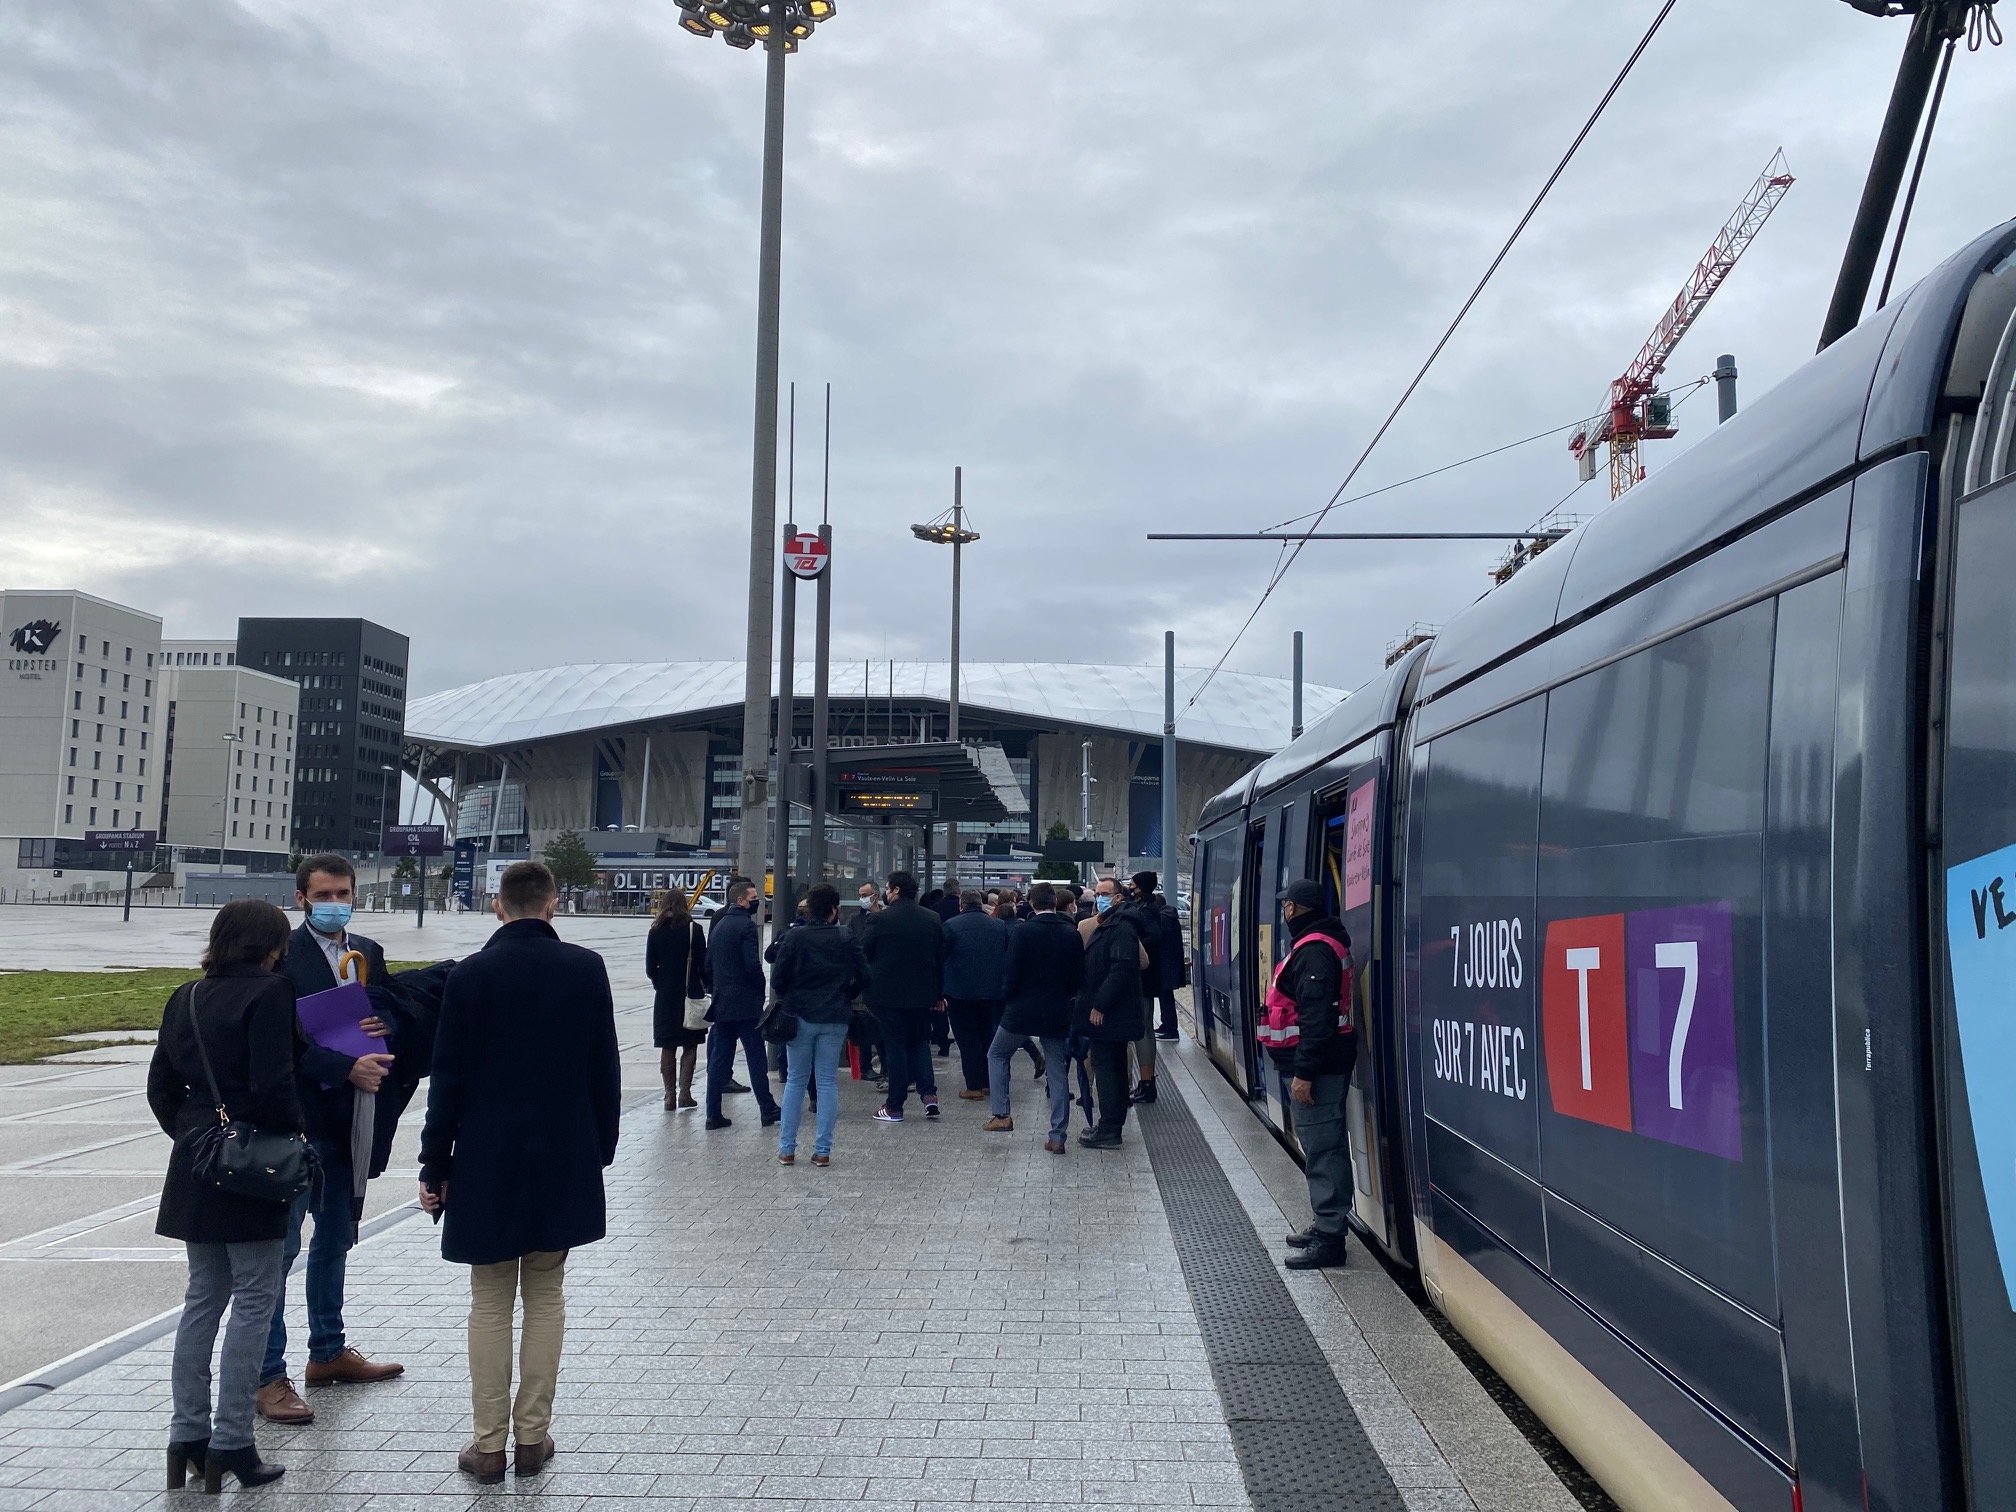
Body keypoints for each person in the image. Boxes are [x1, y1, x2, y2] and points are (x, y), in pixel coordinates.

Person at [418, 861, 622, 1483]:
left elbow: (446, 1078)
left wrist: (435, 1161)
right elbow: (603, 1068)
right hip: (564, 1151)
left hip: (485, 1154)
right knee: (546, 1293)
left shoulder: (471, 974)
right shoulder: (586, 969)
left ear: (497, 906)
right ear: (553, 905)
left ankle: (488, 1446)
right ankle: (533, 1437)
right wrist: (600, 1148)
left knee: (488, 1299)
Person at [150, 900, 303, 1493]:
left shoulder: (184, 995)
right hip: (252, 1163)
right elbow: (274, 1083)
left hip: (194, 1160)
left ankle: (185, 1436)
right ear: (271, 945)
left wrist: (195, 1137)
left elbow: (160, 1084)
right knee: (255, 1298)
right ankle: (233, 1442)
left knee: (202, 1299)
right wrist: (291, 1140)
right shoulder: (271, 993)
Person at [257, 854, 404, 1427]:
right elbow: (279, 1043)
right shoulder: (280, 958)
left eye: (343, 892)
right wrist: (341, 1067)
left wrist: (383, 1023)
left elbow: (388, 1001)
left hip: (351, 1123)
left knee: (336, 1239)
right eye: (323, 894)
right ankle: (268, 1374)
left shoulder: (367, 949)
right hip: (298, 1123)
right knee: (281, 1252)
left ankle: (328, 1351)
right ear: (301, 899)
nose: (335, 902)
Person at [1267, 879, 1358, 1270]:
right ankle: (1326, 1224)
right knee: (1322, 1144)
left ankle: (1330, 1239)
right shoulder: (1317, 944)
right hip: (1317, 1065)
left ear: (1294, 909)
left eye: (1286, 905)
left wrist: (1304, 1072)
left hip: (1316, 1069)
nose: (1284, 911)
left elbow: (1317, 1019)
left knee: (1322, 1149)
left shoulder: (1316, 950)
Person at [770, 884, 869, 1166]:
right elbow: (865, 975)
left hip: (799, 1016)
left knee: (795, 1081)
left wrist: (793, 994)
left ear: (810, 909)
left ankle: (787, 1149)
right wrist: (845, 993)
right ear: (834, 909)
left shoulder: (795, 937)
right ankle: (823, 1151)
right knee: (826, 1082)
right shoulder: (845, 936)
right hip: (835, 1016)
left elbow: (778, 980)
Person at [985, 883, 1083, 1151]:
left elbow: (1011, 971)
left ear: (1030, 902)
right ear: (1054, 902)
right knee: (1057, 1068)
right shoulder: (1071, 933)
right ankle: (1057, 1136)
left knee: (997, 1054)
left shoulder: (1023, 931)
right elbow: (1077, 977)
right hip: (1057, 1009)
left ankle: (1001, 1114)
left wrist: (1008, 998)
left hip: (1022, 1009)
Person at [856, 870, 948, 1122]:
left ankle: (895, 1106)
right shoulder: (931, 918)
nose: (885, 892)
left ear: (895, 890)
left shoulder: (879, 920)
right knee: (919, 1043)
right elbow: (939, 960)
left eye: (887, 888)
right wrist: (939, 994)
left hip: (887, 996)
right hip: (922, 994)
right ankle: (929, 1095)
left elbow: (863, 953)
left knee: (895, 1047)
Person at [1075, 875, 1149, 1149]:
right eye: (1097, 893)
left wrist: (1099, 1005)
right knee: (1113, 1066)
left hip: (1111, 1014)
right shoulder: (1112, 923)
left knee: (1106, 1068)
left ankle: (1108, 1128)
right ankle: (1111, 1123)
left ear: (1119, 897)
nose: (1099, 897)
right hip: (1113, 1013)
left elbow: (1121, 968)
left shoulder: (1121, 927)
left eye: (1105, 893)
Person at [704, 877, 780, 1131]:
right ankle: (767, 1108)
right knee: (755, 1056)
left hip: (723, 1001)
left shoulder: (720, 925)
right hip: (745, 1002)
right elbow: (752, 965)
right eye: (753, 897)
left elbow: (708, 964)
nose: (757, 901)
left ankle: (713, 1113)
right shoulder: (745, 927)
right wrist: (760, 989)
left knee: (719, 1059)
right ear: (740, 901)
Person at [943, 889, 1011, 1101]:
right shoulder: (999, 926)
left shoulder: (950, 926)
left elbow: (941, 958)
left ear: (961, 905)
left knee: (967, 1039)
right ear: (980, 904)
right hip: (992, 993)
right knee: (988, 1037)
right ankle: (988, 1083)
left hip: (959, 992)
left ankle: (973, 1086)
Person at [646, 889, 709, 1111]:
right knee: (690, 1043)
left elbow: (650, 968)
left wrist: (660, 983)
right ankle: (685, 1093)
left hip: (665, 996)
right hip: (689, 993)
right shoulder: (694, 930)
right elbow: (703, 964)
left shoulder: (655, 931)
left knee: (667, 1044)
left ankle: (669, 1096)